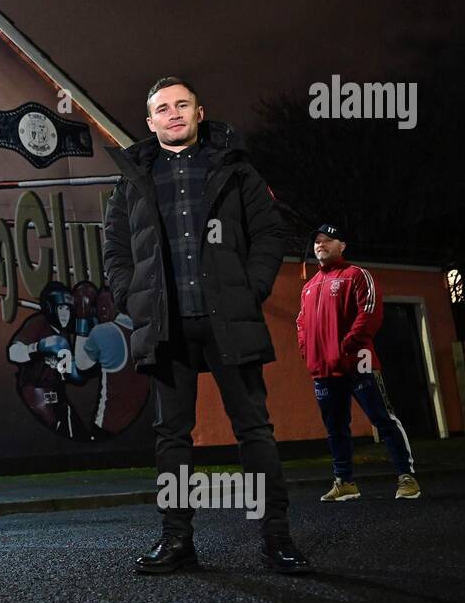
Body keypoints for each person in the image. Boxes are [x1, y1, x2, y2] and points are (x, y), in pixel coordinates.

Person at [103, 77, 310, 574]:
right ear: (150, 123)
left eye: (182, 105)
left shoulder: (235, 168)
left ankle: (276, 537)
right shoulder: (133, 180)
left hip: (227, 320)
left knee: (254, 429)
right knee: (172, 436)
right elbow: (114, 249)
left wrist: (251, 287)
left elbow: (269, 232)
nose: (173, 114)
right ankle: (177, 541)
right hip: (166, 324)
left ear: (199, 112)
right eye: (162, 109)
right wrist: (134, 298)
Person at [296, 224, 421, 501]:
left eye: (328, 240)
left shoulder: (356, 275)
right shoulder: (308, 287)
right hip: (324, 370)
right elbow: (301, 324)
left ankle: (407, 478)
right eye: (317, 241)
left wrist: (347, 346)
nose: (320, 245)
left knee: (382, 419)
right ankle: (345, 482)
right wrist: (309, 354)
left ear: (342, 246)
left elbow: (370, 313)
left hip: (358, 364)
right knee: (335, 428)